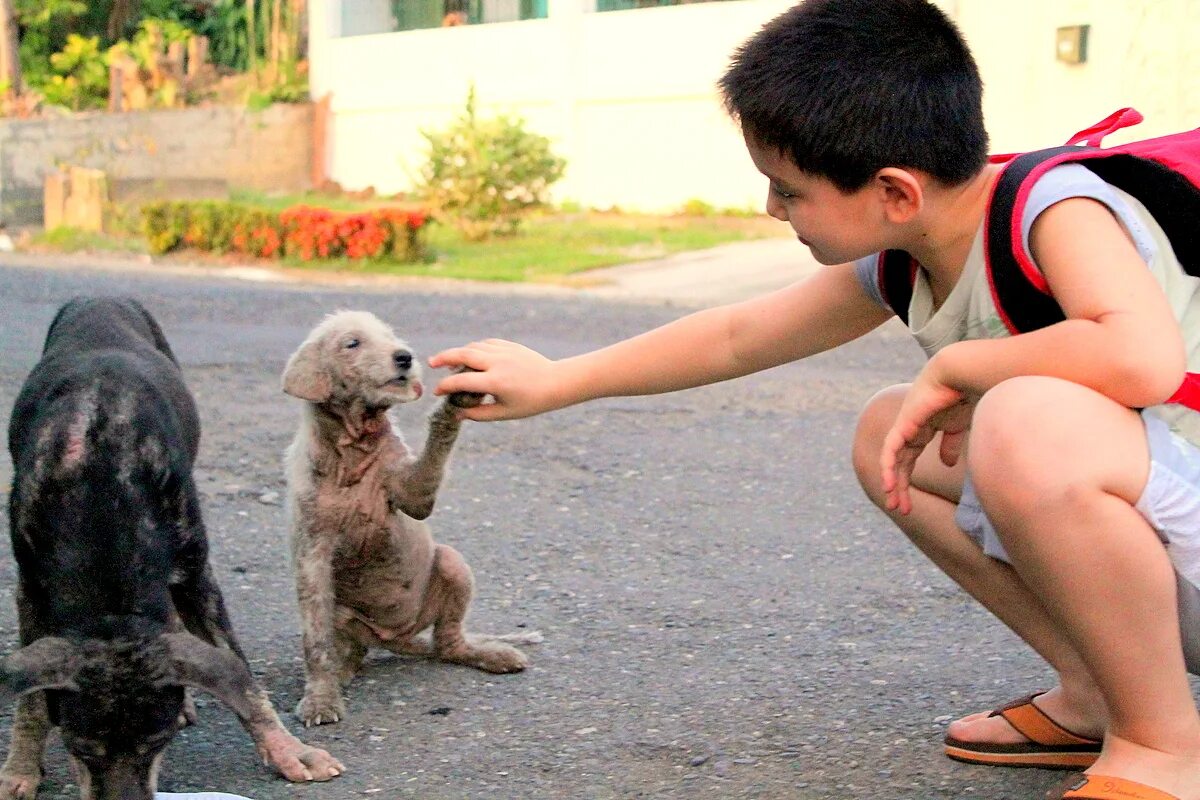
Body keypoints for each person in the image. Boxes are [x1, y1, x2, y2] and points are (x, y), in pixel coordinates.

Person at [429, 1, 1200, 798]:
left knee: (1019, 419)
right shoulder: (910, 248)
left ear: (895, 191)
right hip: (1168, 538)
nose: (773, 209)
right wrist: (560, 378)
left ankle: (1161, 746)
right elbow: (739, 334)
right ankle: (1100, 695)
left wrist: (966, 366)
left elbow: (1141, 358)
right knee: (884, 432)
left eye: (788, 190)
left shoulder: (1057, 211)